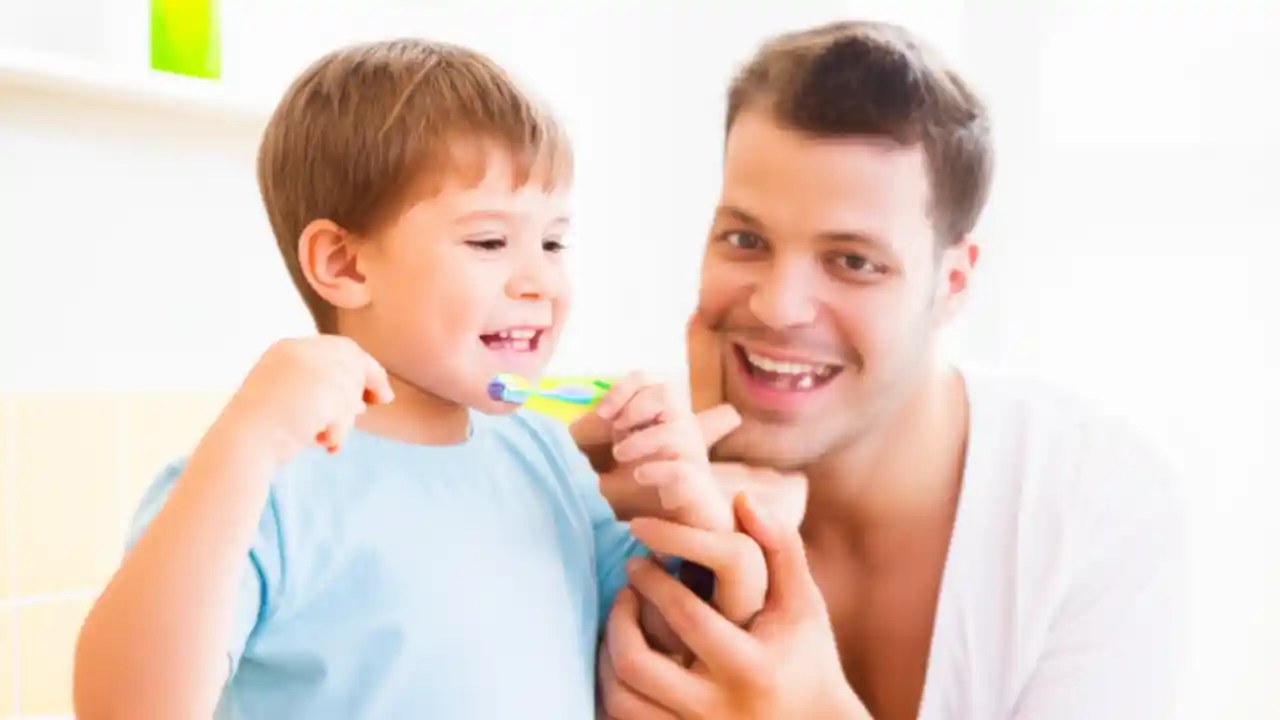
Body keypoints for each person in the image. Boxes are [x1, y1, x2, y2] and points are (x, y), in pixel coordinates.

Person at [72, 38, 761, 719]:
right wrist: (243, 450)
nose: (539, 281)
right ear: (343, 265)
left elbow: (657, 653)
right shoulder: (259, 488)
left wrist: (691, 501)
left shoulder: (545, 458)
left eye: (552, 242)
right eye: (490, 241)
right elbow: (125, 708)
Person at [593, 20, 1187, 720]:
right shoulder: (629, 498)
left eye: (854, 262)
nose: (778, 306)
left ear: (954, 283)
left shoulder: (1086, 500)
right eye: (745, 239)